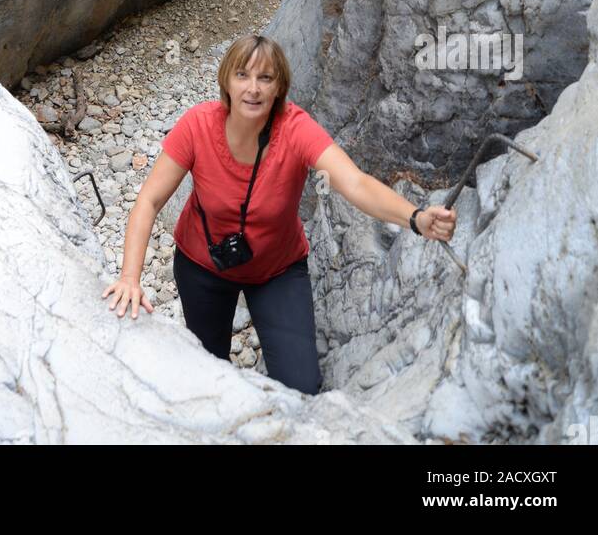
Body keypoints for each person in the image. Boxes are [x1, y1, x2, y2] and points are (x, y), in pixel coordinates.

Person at [101, 33, 457, 394]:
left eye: (265, 78)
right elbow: (148, 201)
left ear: (279, 87)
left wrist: (416, 218)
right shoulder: (197, 125)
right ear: (226, 81)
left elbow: (355, 183)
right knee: (206, 374)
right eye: (243, 75)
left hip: (276, 270)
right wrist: (131, 277)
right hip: (203, 266)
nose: (253, 89)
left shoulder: (296, 129)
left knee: (301, 386)